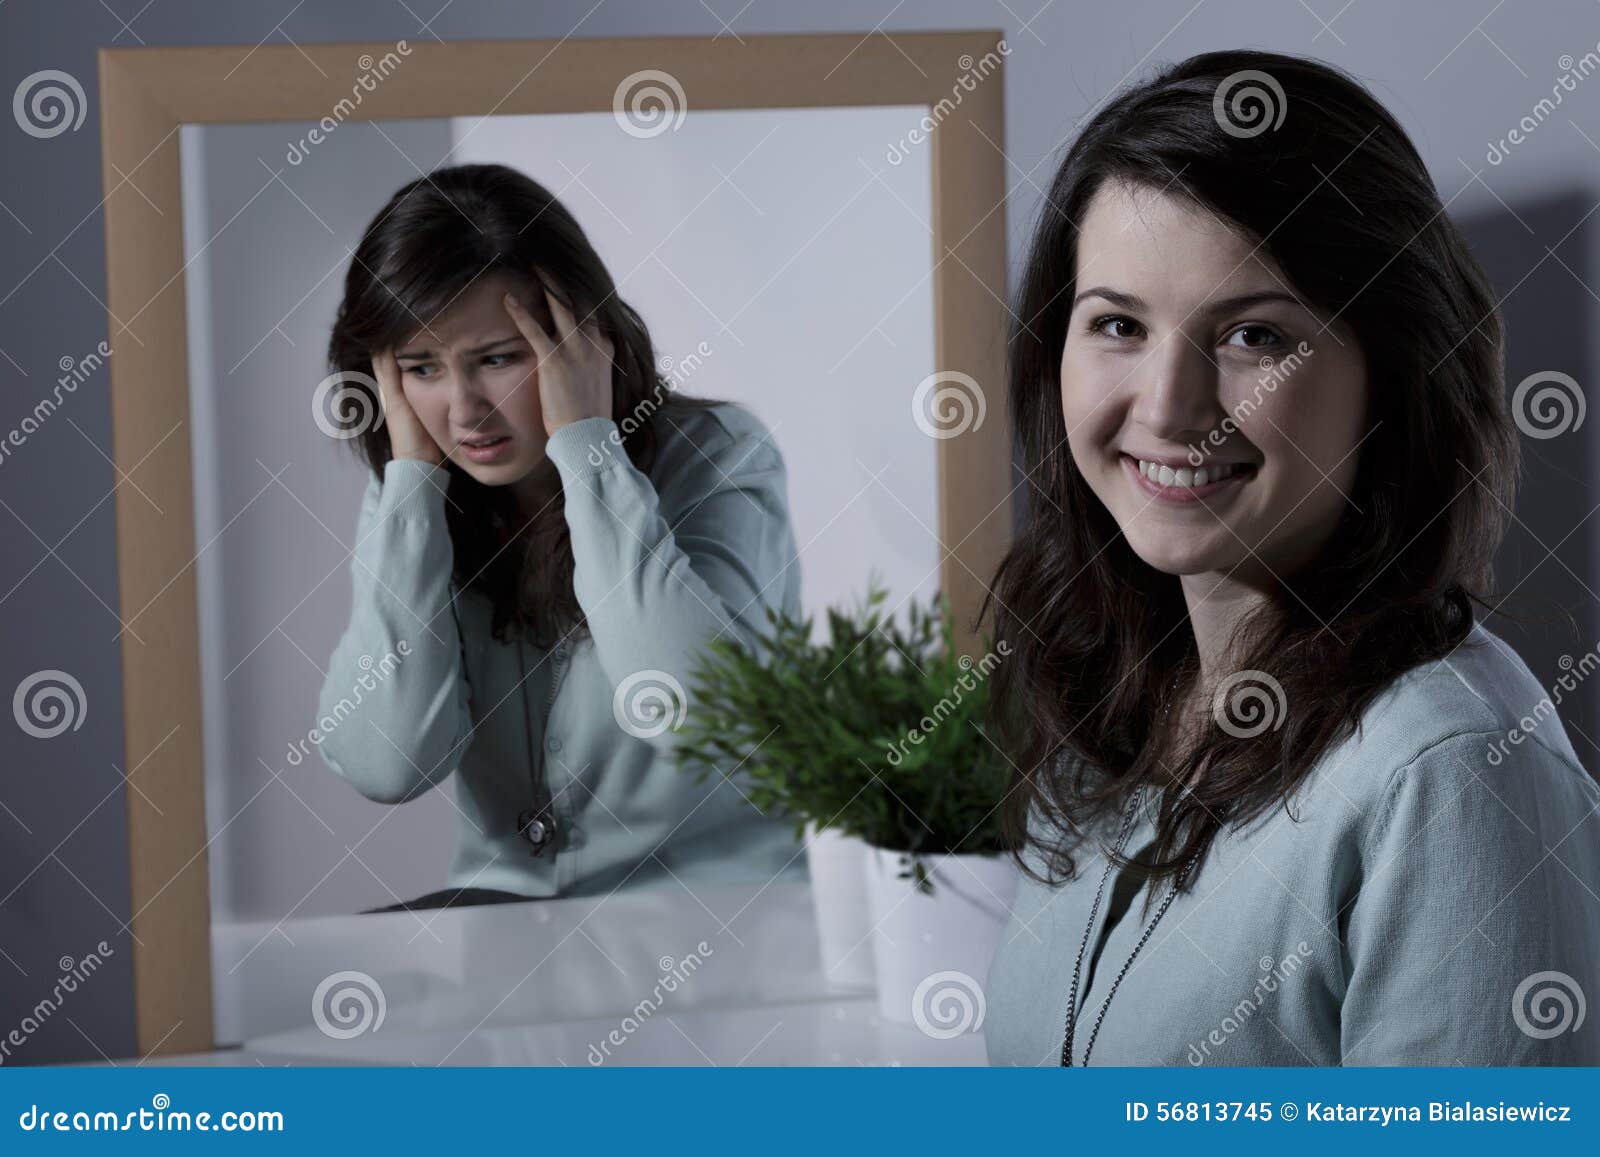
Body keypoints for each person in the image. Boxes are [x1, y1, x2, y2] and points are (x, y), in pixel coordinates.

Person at [980, 49, 1600, 1065]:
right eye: (1117, 324)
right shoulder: (1124, 701)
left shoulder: (1453, 780)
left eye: (1254, 336)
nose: (1169, 406)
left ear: (1393, 372)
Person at [314, 163, 803, 903]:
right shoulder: (414, 493)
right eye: (421, 368)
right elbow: (387, 762)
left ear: (583, 338)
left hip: (715, 926)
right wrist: (410, 488)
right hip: (515, 946)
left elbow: (696, 710)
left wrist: (589, 449)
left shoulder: (720, 452)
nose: (463, 410)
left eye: (497, 358)